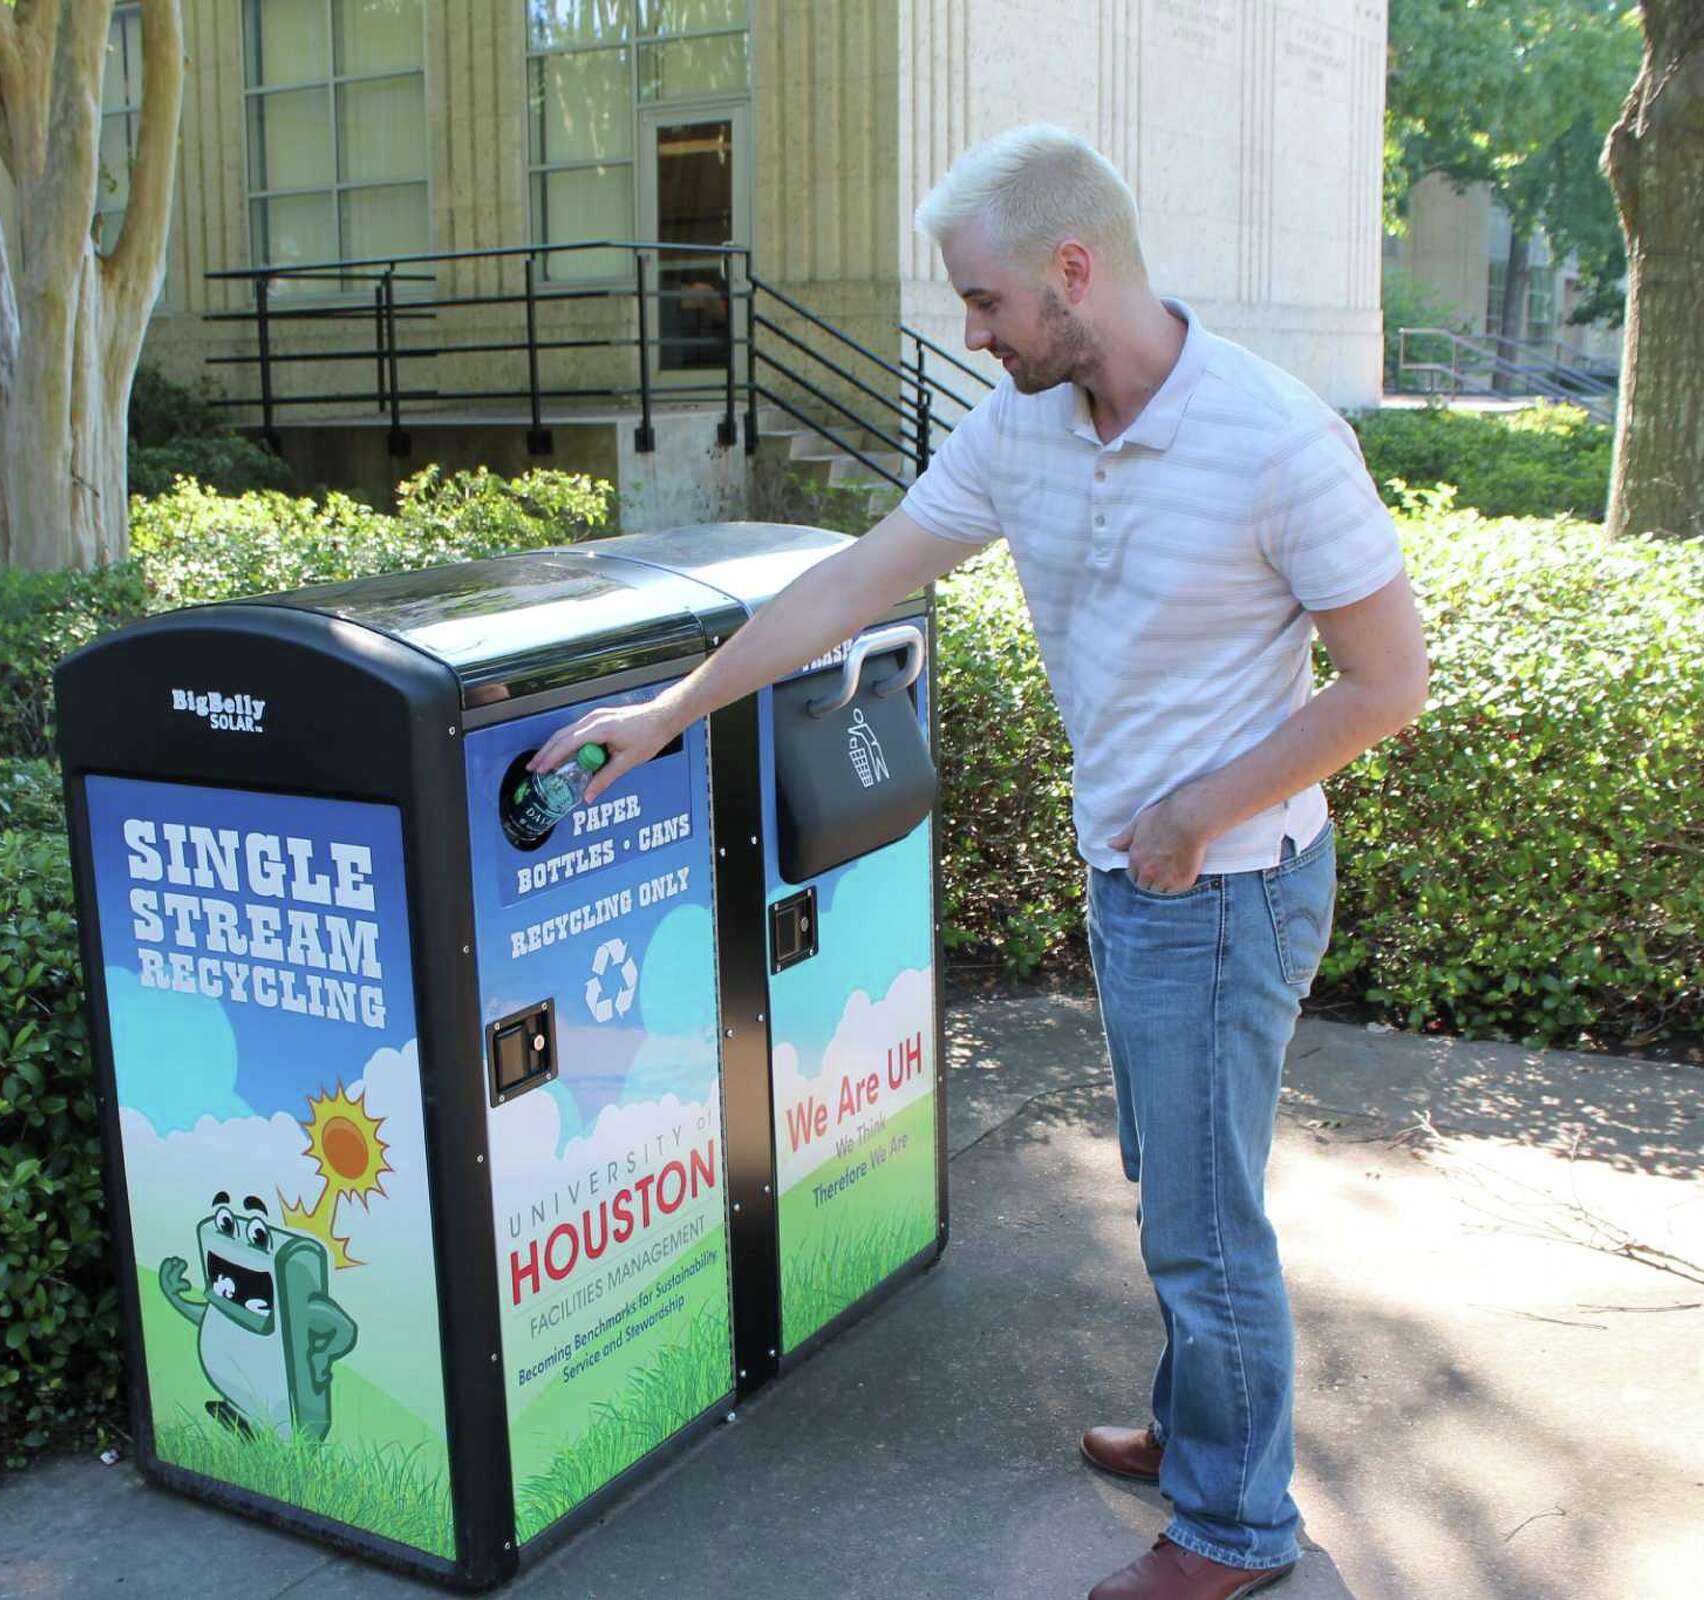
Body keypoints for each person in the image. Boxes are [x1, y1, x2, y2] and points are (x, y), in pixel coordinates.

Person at [532, 124, 1428, 1600]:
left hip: (1226, 885)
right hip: (1145, 880)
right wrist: (674, 709)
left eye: (985, 302)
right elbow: (852, 579)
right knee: (1177, 1183)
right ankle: (1213, 1422)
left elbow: (1389, 681)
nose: (971, 331)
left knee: (1204, 1221)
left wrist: (1198, 812)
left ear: (1074, 271)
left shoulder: (1274, 440)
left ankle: (1233, 1528)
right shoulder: (1025, 428)